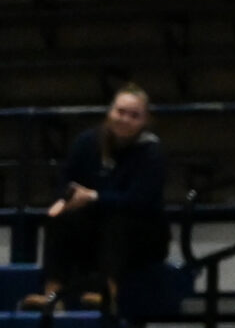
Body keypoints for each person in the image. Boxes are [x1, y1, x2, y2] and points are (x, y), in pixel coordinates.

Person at [29, 85, 166, 311]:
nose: (125, 119)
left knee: (118, 220)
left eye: (134, 116)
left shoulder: (151, 152)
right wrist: (65, 200)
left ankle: (107, 293)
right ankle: (53, 295)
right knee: (59, 219)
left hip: (141, 236)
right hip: (95, 230)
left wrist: (94, 196)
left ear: (145, 121)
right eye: (120, 112)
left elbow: (138, 201)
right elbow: (66, 181)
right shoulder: (87, 142)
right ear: (110, 112)